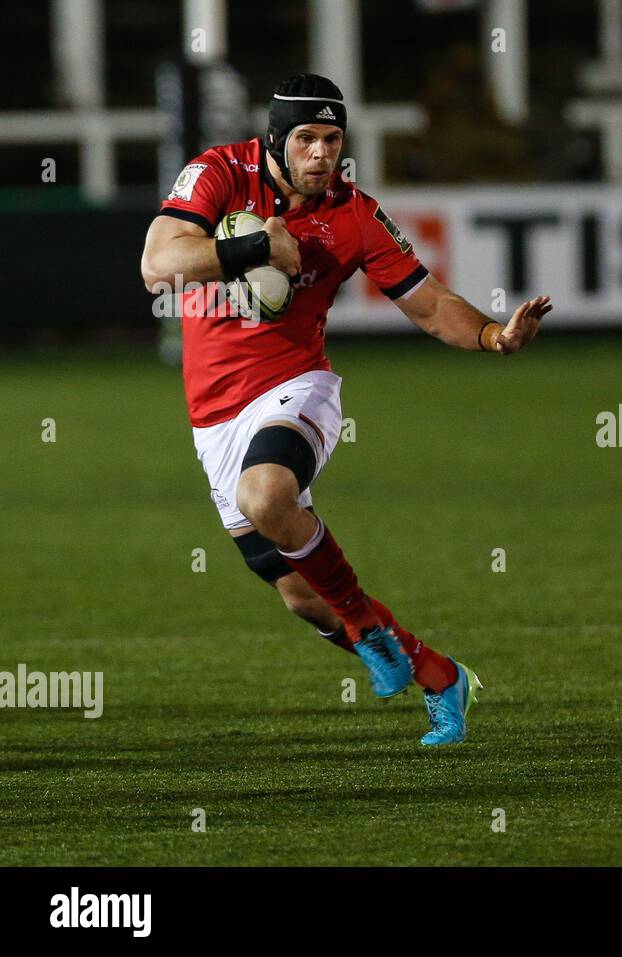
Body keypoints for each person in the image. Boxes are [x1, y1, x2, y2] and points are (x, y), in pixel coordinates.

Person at [140, 74, 551, 744]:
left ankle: (362, 621)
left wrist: (491, 336)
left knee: (267, 494)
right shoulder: (217, 172)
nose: (321, 153)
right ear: (276, 139)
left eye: (332, 139)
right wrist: (258, 248)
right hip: (213, 419)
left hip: (296, 388)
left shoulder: (352, 213)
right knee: (303, 596)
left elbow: (428, 302)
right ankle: (444, 676)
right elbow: (158, 265)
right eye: (306, 138)